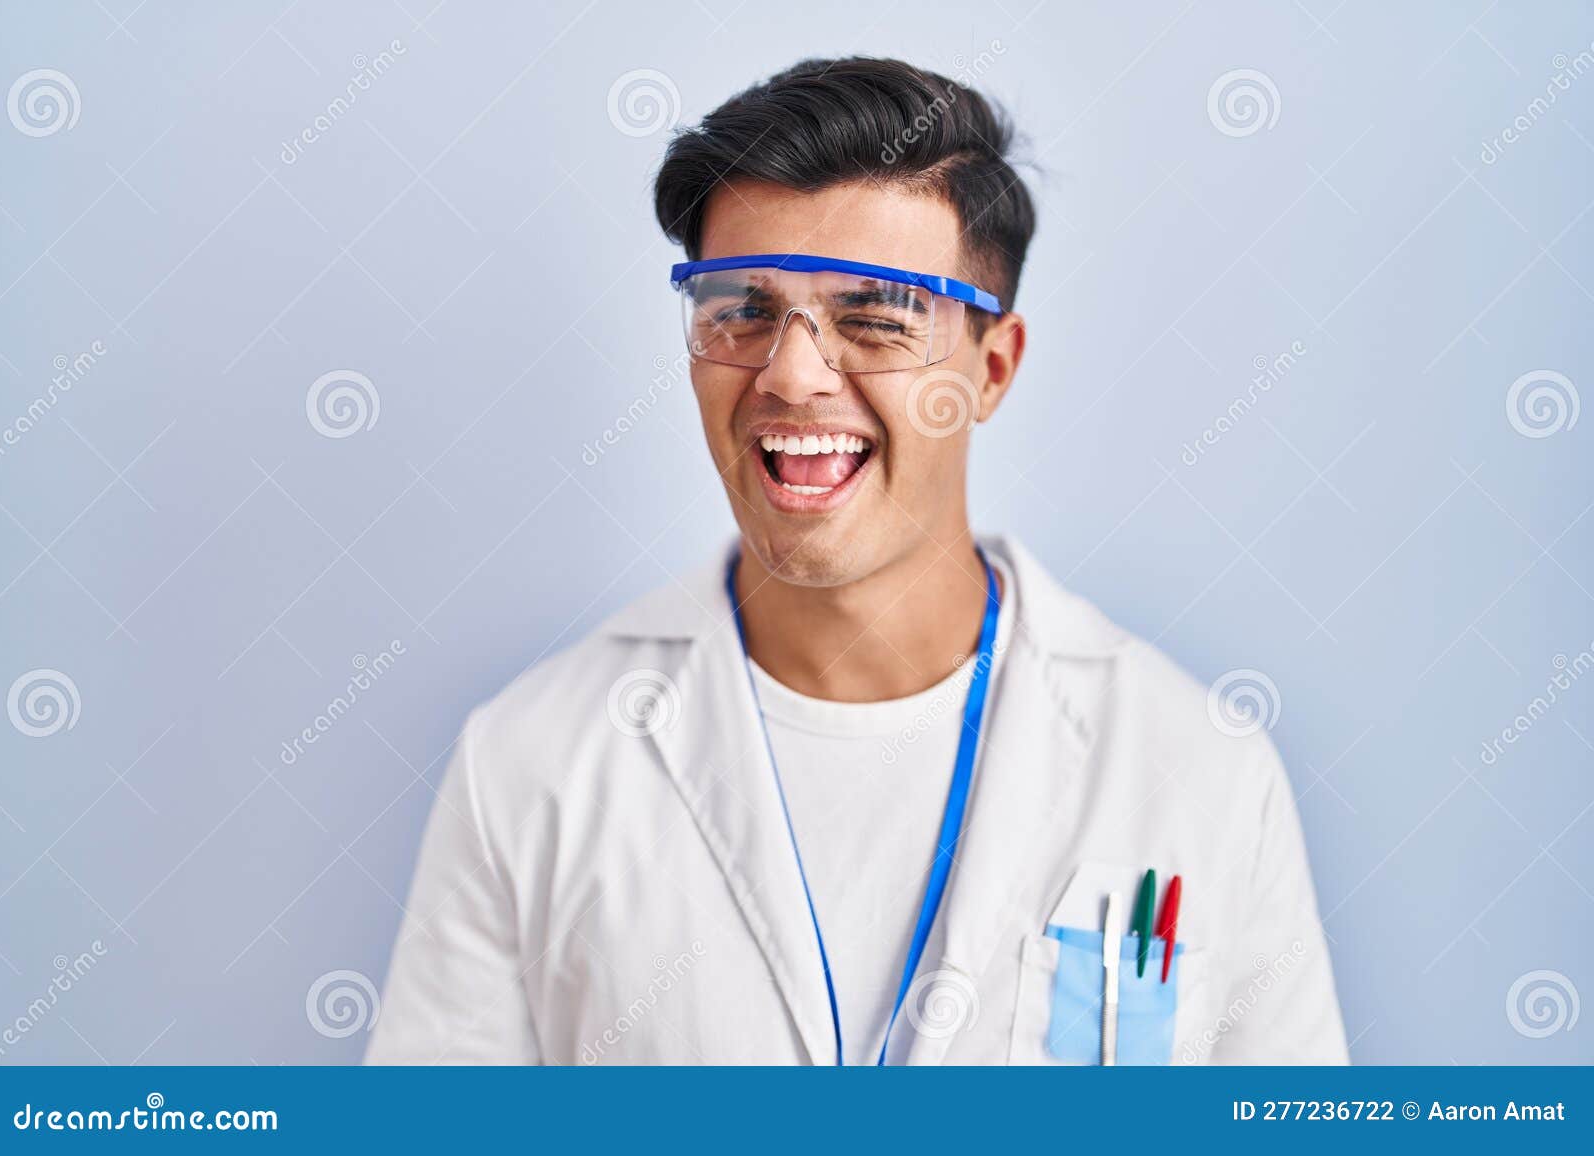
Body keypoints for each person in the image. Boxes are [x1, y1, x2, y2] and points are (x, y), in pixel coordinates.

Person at [367, 56, 1347, 1066]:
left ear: (990, 368)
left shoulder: (1199, 771)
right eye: (738, 309)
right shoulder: (532, 761)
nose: (790, 374)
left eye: (876, 319)